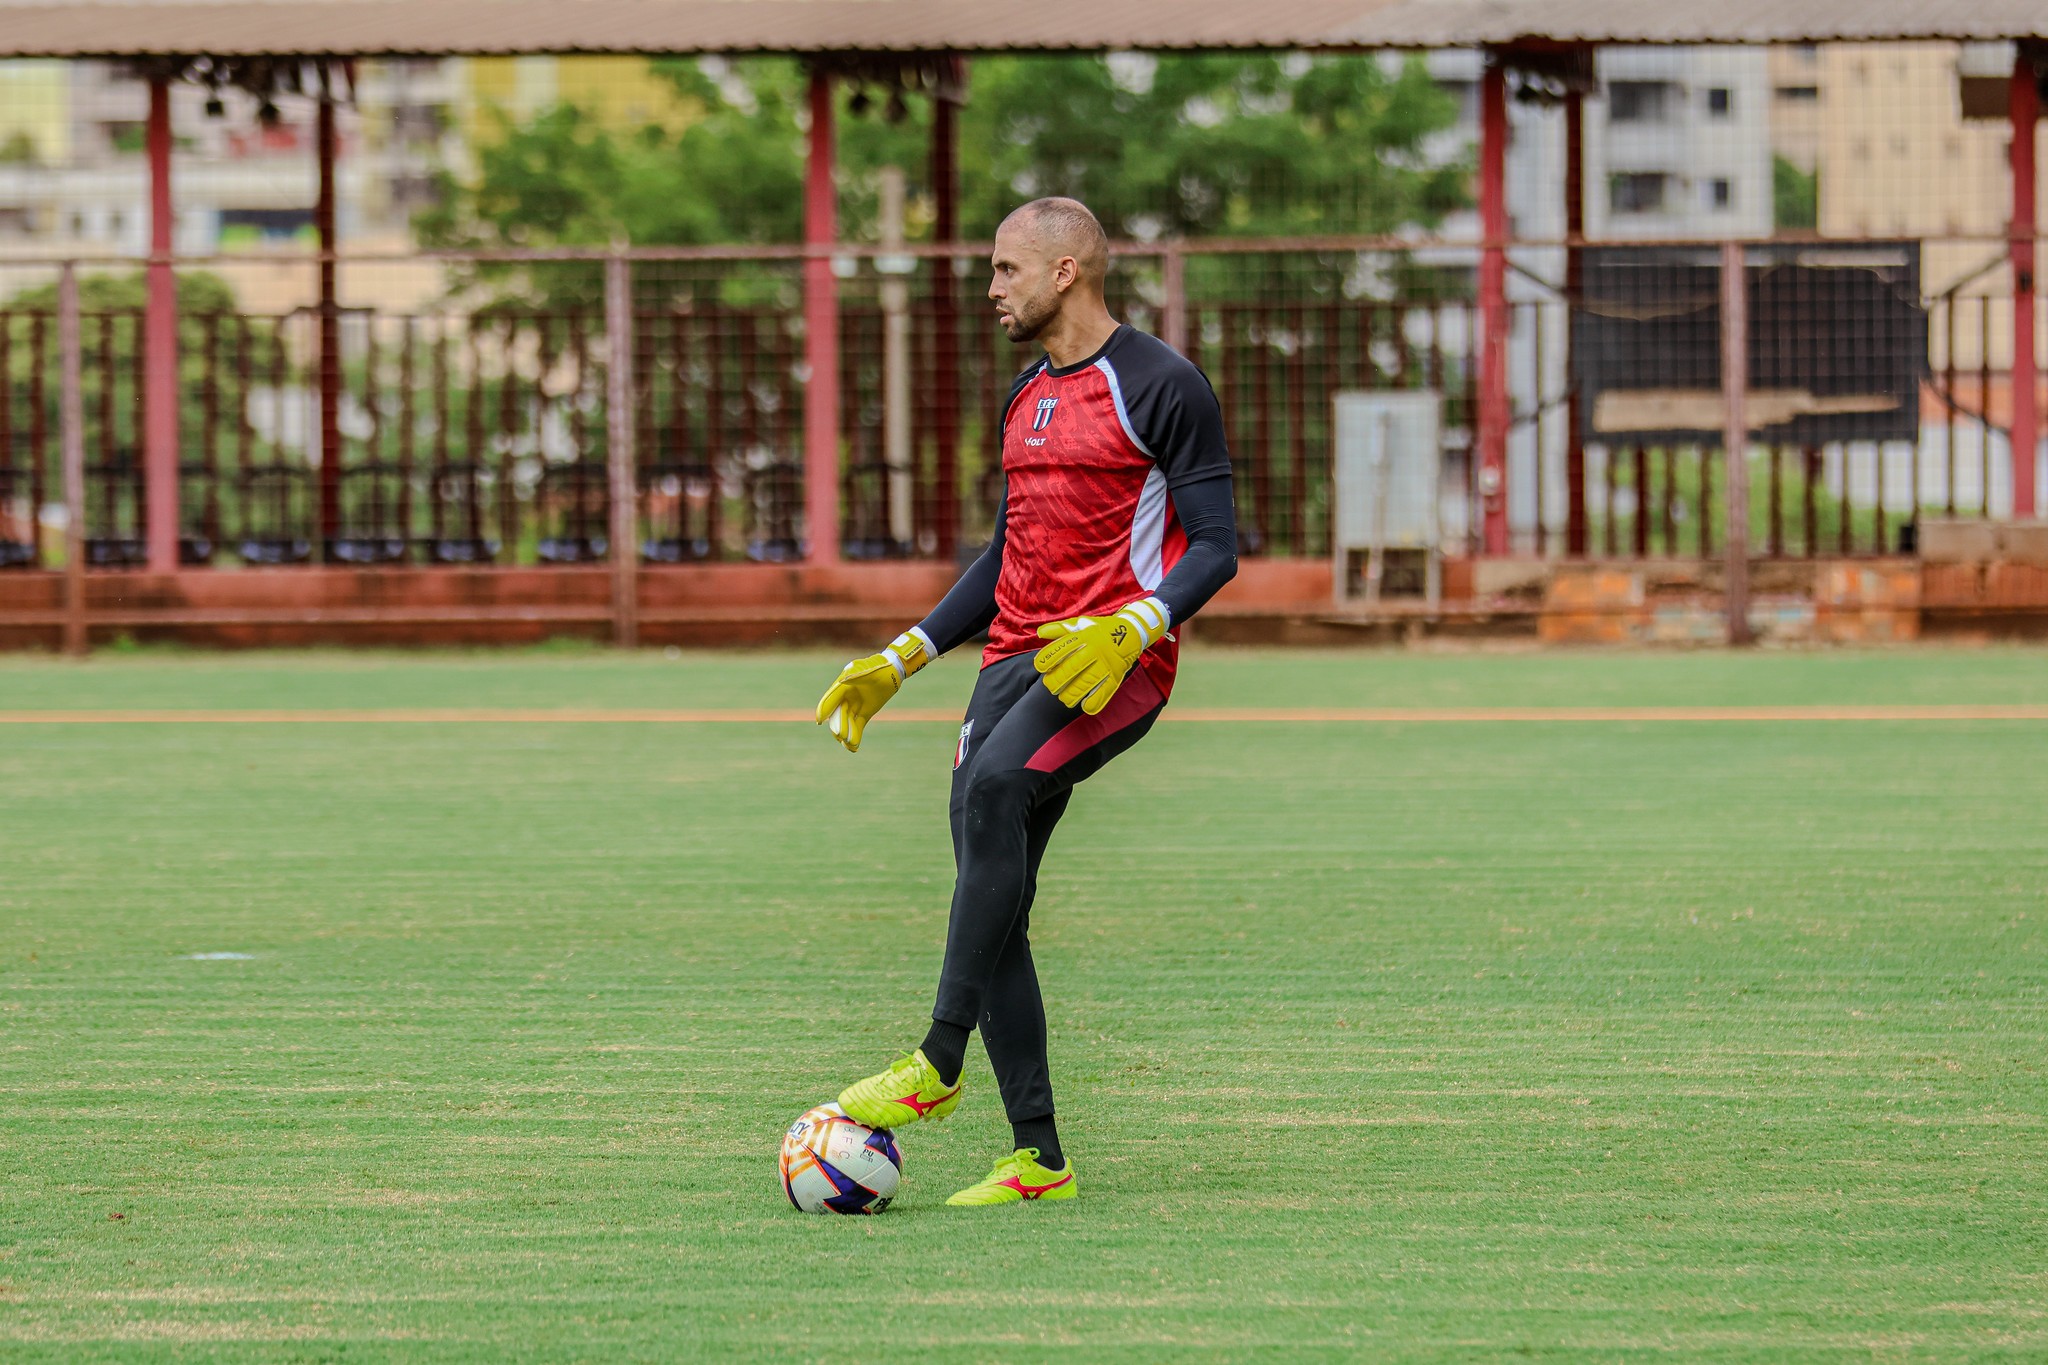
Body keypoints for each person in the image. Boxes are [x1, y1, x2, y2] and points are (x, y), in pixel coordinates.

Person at [816, 197, 1239, 1207]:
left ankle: (935, 1062)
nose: (990, 288)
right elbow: (1007, 550)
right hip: (1010, 661)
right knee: (990, 881)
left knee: (996, 792)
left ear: (1064, 273)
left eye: (1005, 269)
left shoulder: (1161, 384)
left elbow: (1216, 547)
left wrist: (1137, 624)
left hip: (1106, 663)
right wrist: (905, 654)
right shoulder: (1024, 395)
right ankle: (1039, 1160)